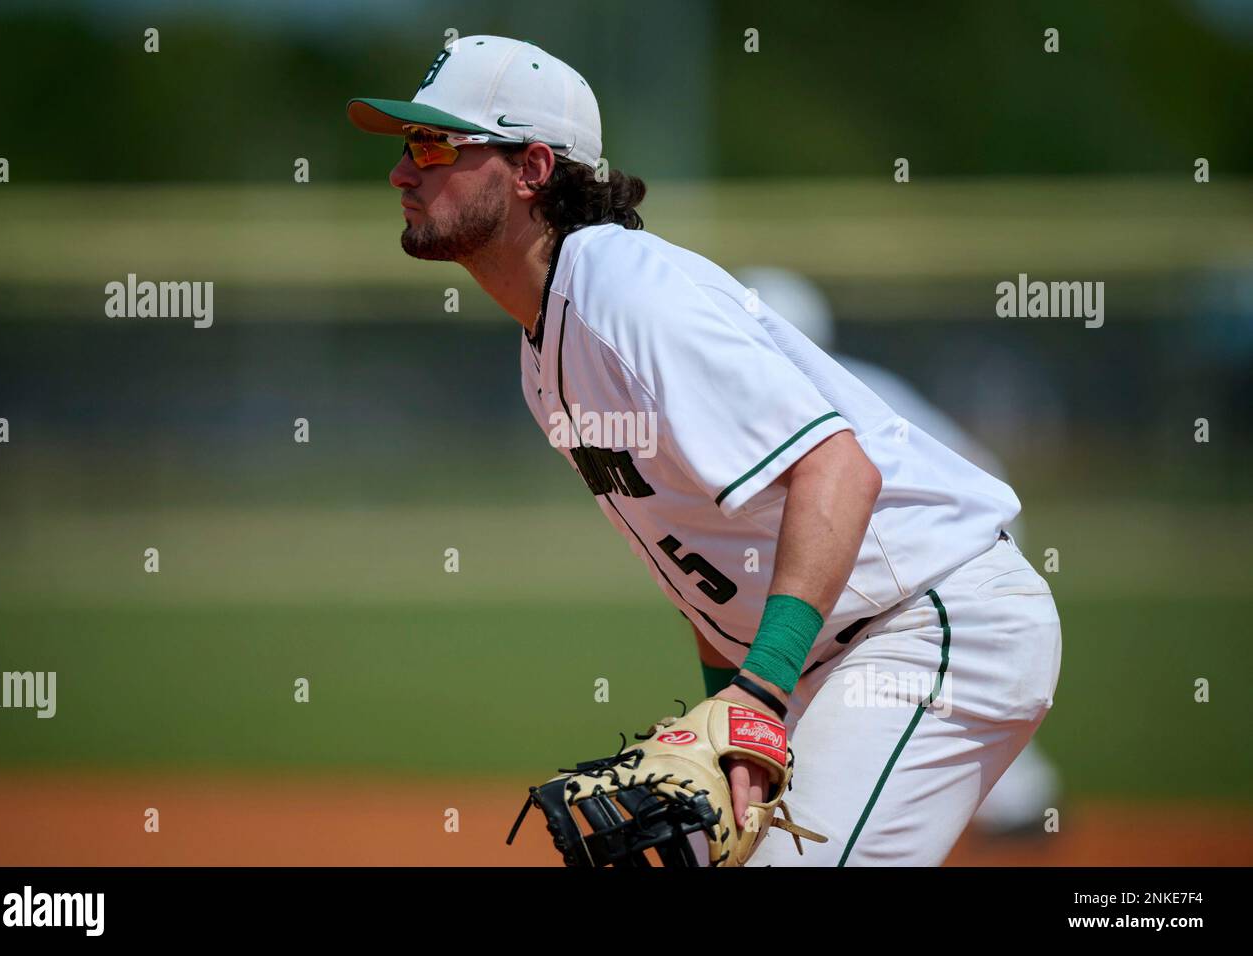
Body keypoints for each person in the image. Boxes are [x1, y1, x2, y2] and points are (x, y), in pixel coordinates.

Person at [348, 35, 1062, 866]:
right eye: (407, 146)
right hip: (837, 654)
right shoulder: (543, 357)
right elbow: (711, 573)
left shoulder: (623, 288)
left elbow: (839, 468)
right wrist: (731, 731)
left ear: (533, 168)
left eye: (435, 145)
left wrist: (760, 696)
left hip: (932, 620)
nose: (403, 171)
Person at [736, 268, 1062, 838]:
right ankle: (1009, 804)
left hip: (965, 532)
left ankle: (1014, 803)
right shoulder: (844, 379)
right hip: (943, 528)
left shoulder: (814, 390)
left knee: (928, 680)